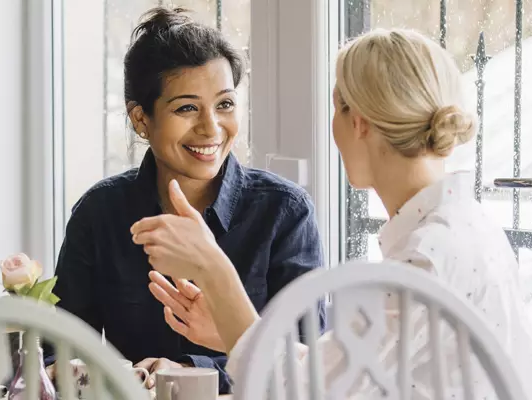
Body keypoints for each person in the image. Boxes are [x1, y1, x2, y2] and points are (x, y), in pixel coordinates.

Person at [133, 29, 532, 398]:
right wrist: (230, 329)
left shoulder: (428, 256)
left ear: (358, 121)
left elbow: (305, 392)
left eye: (336, 108)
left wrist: (213, 268)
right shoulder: (458, 229)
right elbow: (334, 374)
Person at [47, 7, 326, 394]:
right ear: (141, 119)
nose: (211, 127)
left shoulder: (285, 212)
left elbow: (308, 360)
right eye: (187, 108)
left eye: (225, 104)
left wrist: (185, 370)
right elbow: (58, 349)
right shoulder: (100, 213)